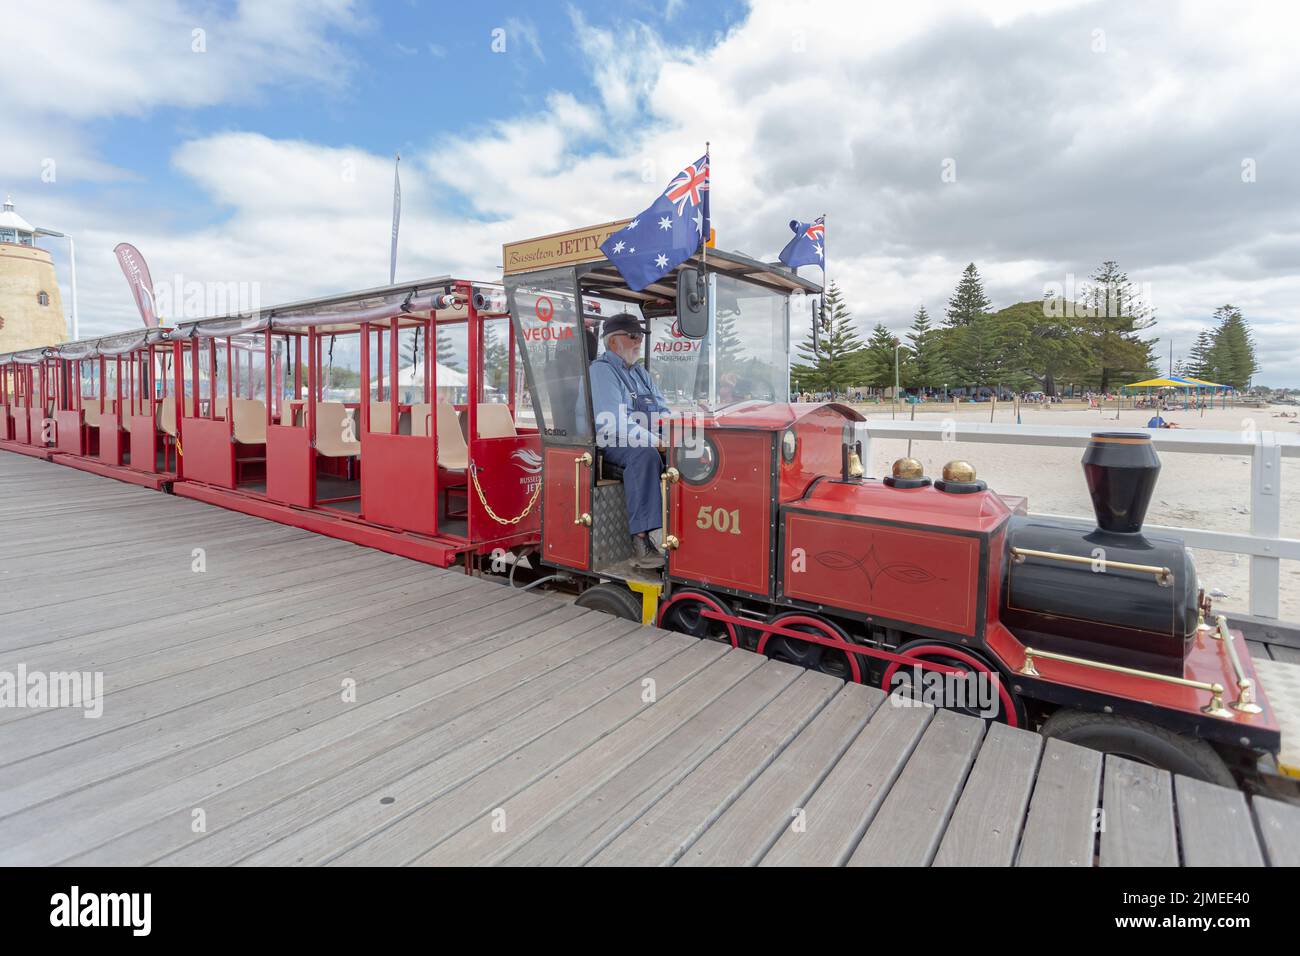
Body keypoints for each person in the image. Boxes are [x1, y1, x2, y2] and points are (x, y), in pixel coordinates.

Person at [590, 313, 670, 569]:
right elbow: (612, 420)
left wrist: (676, 434)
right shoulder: (602, 370)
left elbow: (663, 411)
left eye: (640, 337)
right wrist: (656, 441)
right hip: (609, 443)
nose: (639, 342)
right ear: (613, 341)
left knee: (686, 458)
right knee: (645, 454)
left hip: (642, 438)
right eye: (633, 336)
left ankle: (679, 533)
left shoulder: (640, 373)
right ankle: (642, 542)